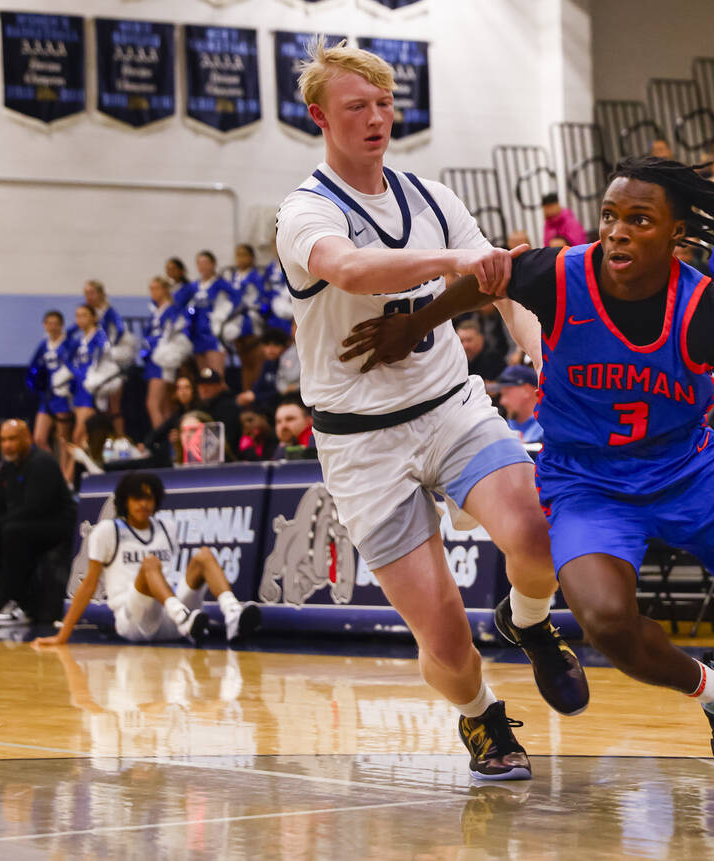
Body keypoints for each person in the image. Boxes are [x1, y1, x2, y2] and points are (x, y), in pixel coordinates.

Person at [350, 154, 714, 801]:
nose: (617, 232)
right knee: (605, 620)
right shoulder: (561, 273)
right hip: (588, 481)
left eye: (639, 219)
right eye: (609, 216)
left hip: (690, 465)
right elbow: (489, 281)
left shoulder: (702, 307)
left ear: (675, 233)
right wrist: (416, 323)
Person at [273, 38, 586, 780]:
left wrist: (540, 349)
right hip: (362, 443)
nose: (376, 118)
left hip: (451, 407)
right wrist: (452, 263)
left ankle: (529, 621)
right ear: (320, 117)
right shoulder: (304, 212)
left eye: (385, 104)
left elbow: (502, 286)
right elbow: (352, 268)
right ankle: (480, 713)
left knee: (537, 536)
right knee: (445, 642)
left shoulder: (433, 198)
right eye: (357, 106)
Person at [34, 472, 261, 648]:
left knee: (204, 555)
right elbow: (89, 584)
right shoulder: (107, 531)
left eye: (149, 498)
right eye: (137, 498)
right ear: (125, 501)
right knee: (150, 564)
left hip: (173, 620)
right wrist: (63, 635)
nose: (143, 504)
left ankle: (233, 614)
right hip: (132, 620)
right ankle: (182, 616)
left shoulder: (167, 528)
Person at [0, 420, 76, 626]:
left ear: (27, 438)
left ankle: (16, 604)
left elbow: (35, 508)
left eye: (12, 439)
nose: (7, 445)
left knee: (13, 532)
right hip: (24, 525)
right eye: (3, 440)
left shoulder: (42, 463)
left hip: (57, 524)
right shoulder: (7, 469)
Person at [143, 275, 190, 432]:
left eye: (156, 288)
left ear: (165, 290)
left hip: (162, 360)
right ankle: (168, 438)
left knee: (153, 403)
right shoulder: (156, 311)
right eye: (151, 289)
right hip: (153, 359)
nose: (153, 292)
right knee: (164, 405)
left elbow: (175, 332)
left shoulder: (172, 310)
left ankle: (160, 440)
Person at [174, 251, 233, 376]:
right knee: (204, 376)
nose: (203, 266)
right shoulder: (193, 286)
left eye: (206, 263)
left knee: (217, 376)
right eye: (200, 263)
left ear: (213, 264)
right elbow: (180, 305)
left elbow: (234, 301)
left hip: (213, 334)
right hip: (197, 334)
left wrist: (222, 322)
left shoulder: (221, 284)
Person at [27, 310, 73, 455]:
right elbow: (34, 367)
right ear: (44, 325)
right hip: (47, 396)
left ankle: (65, 469)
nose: (52, 327)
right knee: (39, 438)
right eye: (49, 324)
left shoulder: (68, 344)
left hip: (63, 396)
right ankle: (50, 465)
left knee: (63, 439)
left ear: (61, 325)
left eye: (56, 324)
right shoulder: (43, 346)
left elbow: (74, 367)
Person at [67, 304, 111, 451]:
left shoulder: (99, 336)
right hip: (79, 389)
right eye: (77, 316)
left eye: (84, 315)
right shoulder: (80, 340)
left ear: (94, 317)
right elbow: (69, 359)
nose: (80, 319)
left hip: (91, 389)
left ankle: (83, 464)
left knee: (79, 435)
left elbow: (104, 357)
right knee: (80, 437)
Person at [229, 243, 268, 391]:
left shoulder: (256, 276)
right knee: (244, 363)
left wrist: (252, 309)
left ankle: (256, 392)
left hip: (251, 319)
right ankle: (246, 391)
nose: (240, 259)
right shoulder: (234, 276)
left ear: (251, 258)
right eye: (238, 255)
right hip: (237, 320)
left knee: (255, 360)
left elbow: (261, 298)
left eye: (244, 255)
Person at [237, 328, 293, 411]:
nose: (270, 349)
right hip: (266, 406)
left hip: (285, 405)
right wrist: (251, 394)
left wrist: (256, 396)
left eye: (276, 345)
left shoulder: (288, 363)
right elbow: (259, 385)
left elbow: (282, 391)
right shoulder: (268, 363)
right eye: (267, 345)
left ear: (285, 347)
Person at [195, 368, 242, 454]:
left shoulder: (228, 407)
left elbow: (229, 439)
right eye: (201, 385)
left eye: (209, 385)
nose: (204, 389)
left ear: (219, 386)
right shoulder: (200, 407)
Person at [496, 364, 543, 444]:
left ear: (526, 390)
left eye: (507, 393)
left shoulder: (550, 430)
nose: (502, 401)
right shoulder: (505, 428)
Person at [457, 318, 506, 382]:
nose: (465, 345)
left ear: (481, 339)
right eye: (461, 341)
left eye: (469, 340)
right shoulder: (456, 362)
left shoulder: (495, 360)